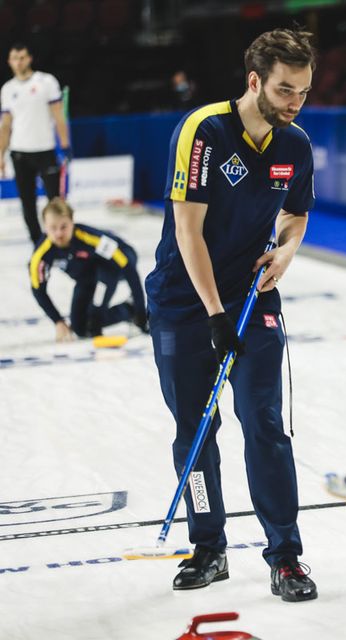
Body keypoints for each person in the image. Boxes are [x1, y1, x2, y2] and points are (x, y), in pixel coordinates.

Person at [144, 28, 317, 602]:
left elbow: (295, 218)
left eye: (303, 91)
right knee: (194, 430)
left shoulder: (295, 146)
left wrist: (287, 250)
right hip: (183, 300)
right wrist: (214, 314)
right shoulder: (205, 132)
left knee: (263, 420)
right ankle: (207, 545)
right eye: (286, 89)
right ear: (254, 82)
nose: (295, 103)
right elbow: (187, 231)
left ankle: (286, 555)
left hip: (250, 297)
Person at [28, 197, 147, 342]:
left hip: (114, 264)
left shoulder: (88, 237)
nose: (59, 233)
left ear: (72, 223)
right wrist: (58, 321)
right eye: (53, 228)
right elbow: (38, 290)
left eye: (64, 227)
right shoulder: (40, 255)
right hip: (87, 275)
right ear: (45, 227)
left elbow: (127, 265)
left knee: (94, 322)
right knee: (80, 327)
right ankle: (129, 309)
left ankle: (135, 309)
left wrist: (142, 312)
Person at [0, 43, 71, 246]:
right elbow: (5, 126)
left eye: (22, 57)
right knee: (27, 203)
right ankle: (38, 245)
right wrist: (1, 154)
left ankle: (59, 242)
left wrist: (65, 145)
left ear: (29, 58)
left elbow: (58, 115)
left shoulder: (46, 82)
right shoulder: (7, 89)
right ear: (9, 61)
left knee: (55, 202)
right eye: (15, 58)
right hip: (20, 152)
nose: (18, 62)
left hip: (45, 150)